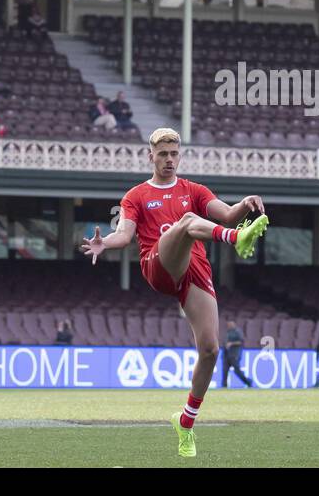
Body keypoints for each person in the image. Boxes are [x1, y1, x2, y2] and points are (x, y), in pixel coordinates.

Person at [80, 127, 269, 457]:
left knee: (210, 349)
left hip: (194, 268)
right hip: (158, 264)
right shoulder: (136, 195)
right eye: (163, 154)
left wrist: (244, 204)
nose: (169, 159)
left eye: (174, 154)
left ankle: (185, 422)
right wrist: (104, 243)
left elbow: (227, 213)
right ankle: (237, 239)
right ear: (150, 156)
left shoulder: (193, 189)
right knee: (188, 221)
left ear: (179, 156)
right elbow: (124, 235)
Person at [221, 320, 254, 389]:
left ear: (234, 325)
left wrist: (231, 343)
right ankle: (224, 386)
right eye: (228, 325)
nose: (229, 326)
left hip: (234, 355)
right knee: (225, 371)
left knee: (237, 371)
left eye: (230, 324)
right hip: (226, 355)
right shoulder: (227, 332)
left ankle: (248, 382)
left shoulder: (237, 332)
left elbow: (241, 341)